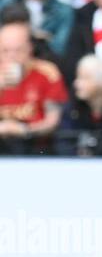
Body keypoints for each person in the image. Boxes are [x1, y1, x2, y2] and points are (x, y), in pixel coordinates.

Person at [0, 17, 67, 154]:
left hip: (36, 147)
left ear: (30, 48)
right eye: (5, 51)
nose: (12, 56)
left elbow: (53, 121)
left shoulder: (47, 73)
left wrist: (24, 130)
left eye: (18, 50)